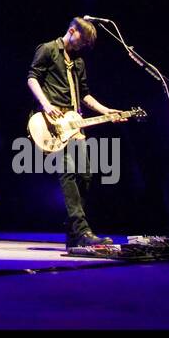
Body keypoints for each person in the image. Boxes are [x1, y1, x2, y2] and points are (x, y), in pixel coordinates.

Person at [26, 17, 125, 249]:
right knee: (68, 172)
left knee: (86, 175)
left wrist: (106, 111)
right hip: (52, 122)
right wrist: (45, 104)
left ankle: (73, 233)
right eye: (82, 40)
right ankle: (81, 231)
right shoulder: (48, 49)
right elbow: (32, 78)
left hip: (75, 124)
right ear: (72, 30)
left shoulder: (79, 62)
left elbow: (85, 94)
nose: (83, 46)